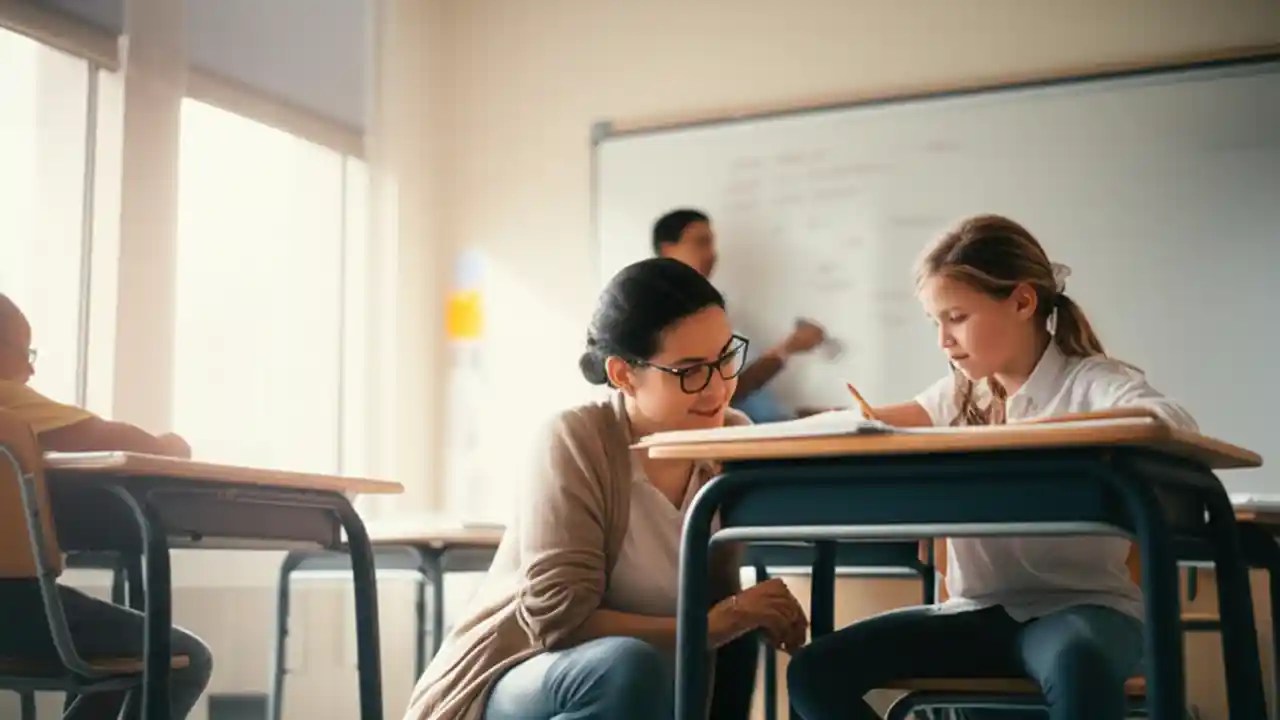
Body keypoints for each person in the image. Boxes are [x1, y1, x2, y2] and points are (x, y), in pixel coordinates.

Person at [785, 214, 1197, 720]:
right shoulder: (956, 397)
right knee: (813, 671)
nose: (943, 340)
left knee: (1077, 658)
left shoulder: (1090, 382)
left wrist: (1040, 438)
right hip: (975, 615)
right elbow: (864, 423)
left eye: (956, 317)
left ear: (1023, 302)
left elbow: (1173, 420)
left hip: (1085, 612)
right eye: (935, 322)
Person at [404, 258, 808, 720]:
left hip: (649, 683)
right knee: (627, 664)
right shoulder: (576, 439)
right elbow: (558, 623)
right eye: (690, 371)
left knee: (735, 637)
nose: (718, 389)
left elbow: (719, 612)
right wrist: (710, 624)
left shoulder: (730, 438)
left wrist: (735, 618)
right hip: (523, 672)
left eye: (724, 359)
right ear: (622, 375)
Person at [0, 293, 213, 719]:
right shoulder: (9, 404)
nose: (31, 369)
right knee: (183, 659)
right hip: (11, 608)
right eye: (26, 353)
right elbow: (123, 444)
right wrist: (171, 444)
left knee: (119, 665)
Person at [652, 209, 827, 422]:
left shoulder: (714, 306)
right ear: (667, 249)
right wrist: (785, 349)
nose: (712, 254)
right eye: (700, 243)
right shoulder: (665, 313)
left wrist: (801, 418)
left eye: (712, 243)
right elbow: (720, 392)